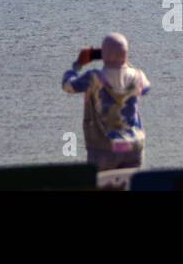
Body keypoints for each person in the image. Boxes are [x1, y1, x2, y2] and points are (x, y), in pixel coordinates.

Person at [61, 32, 151, 172]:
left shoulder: (93, 78)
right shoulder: (138, 76)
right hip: (134, 146)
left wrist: (77, 65)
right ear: (125, 54)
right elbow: (146, 89)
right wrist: (123, 61)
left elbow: (67, 86)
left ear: (103, 54)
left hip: (104, 148)